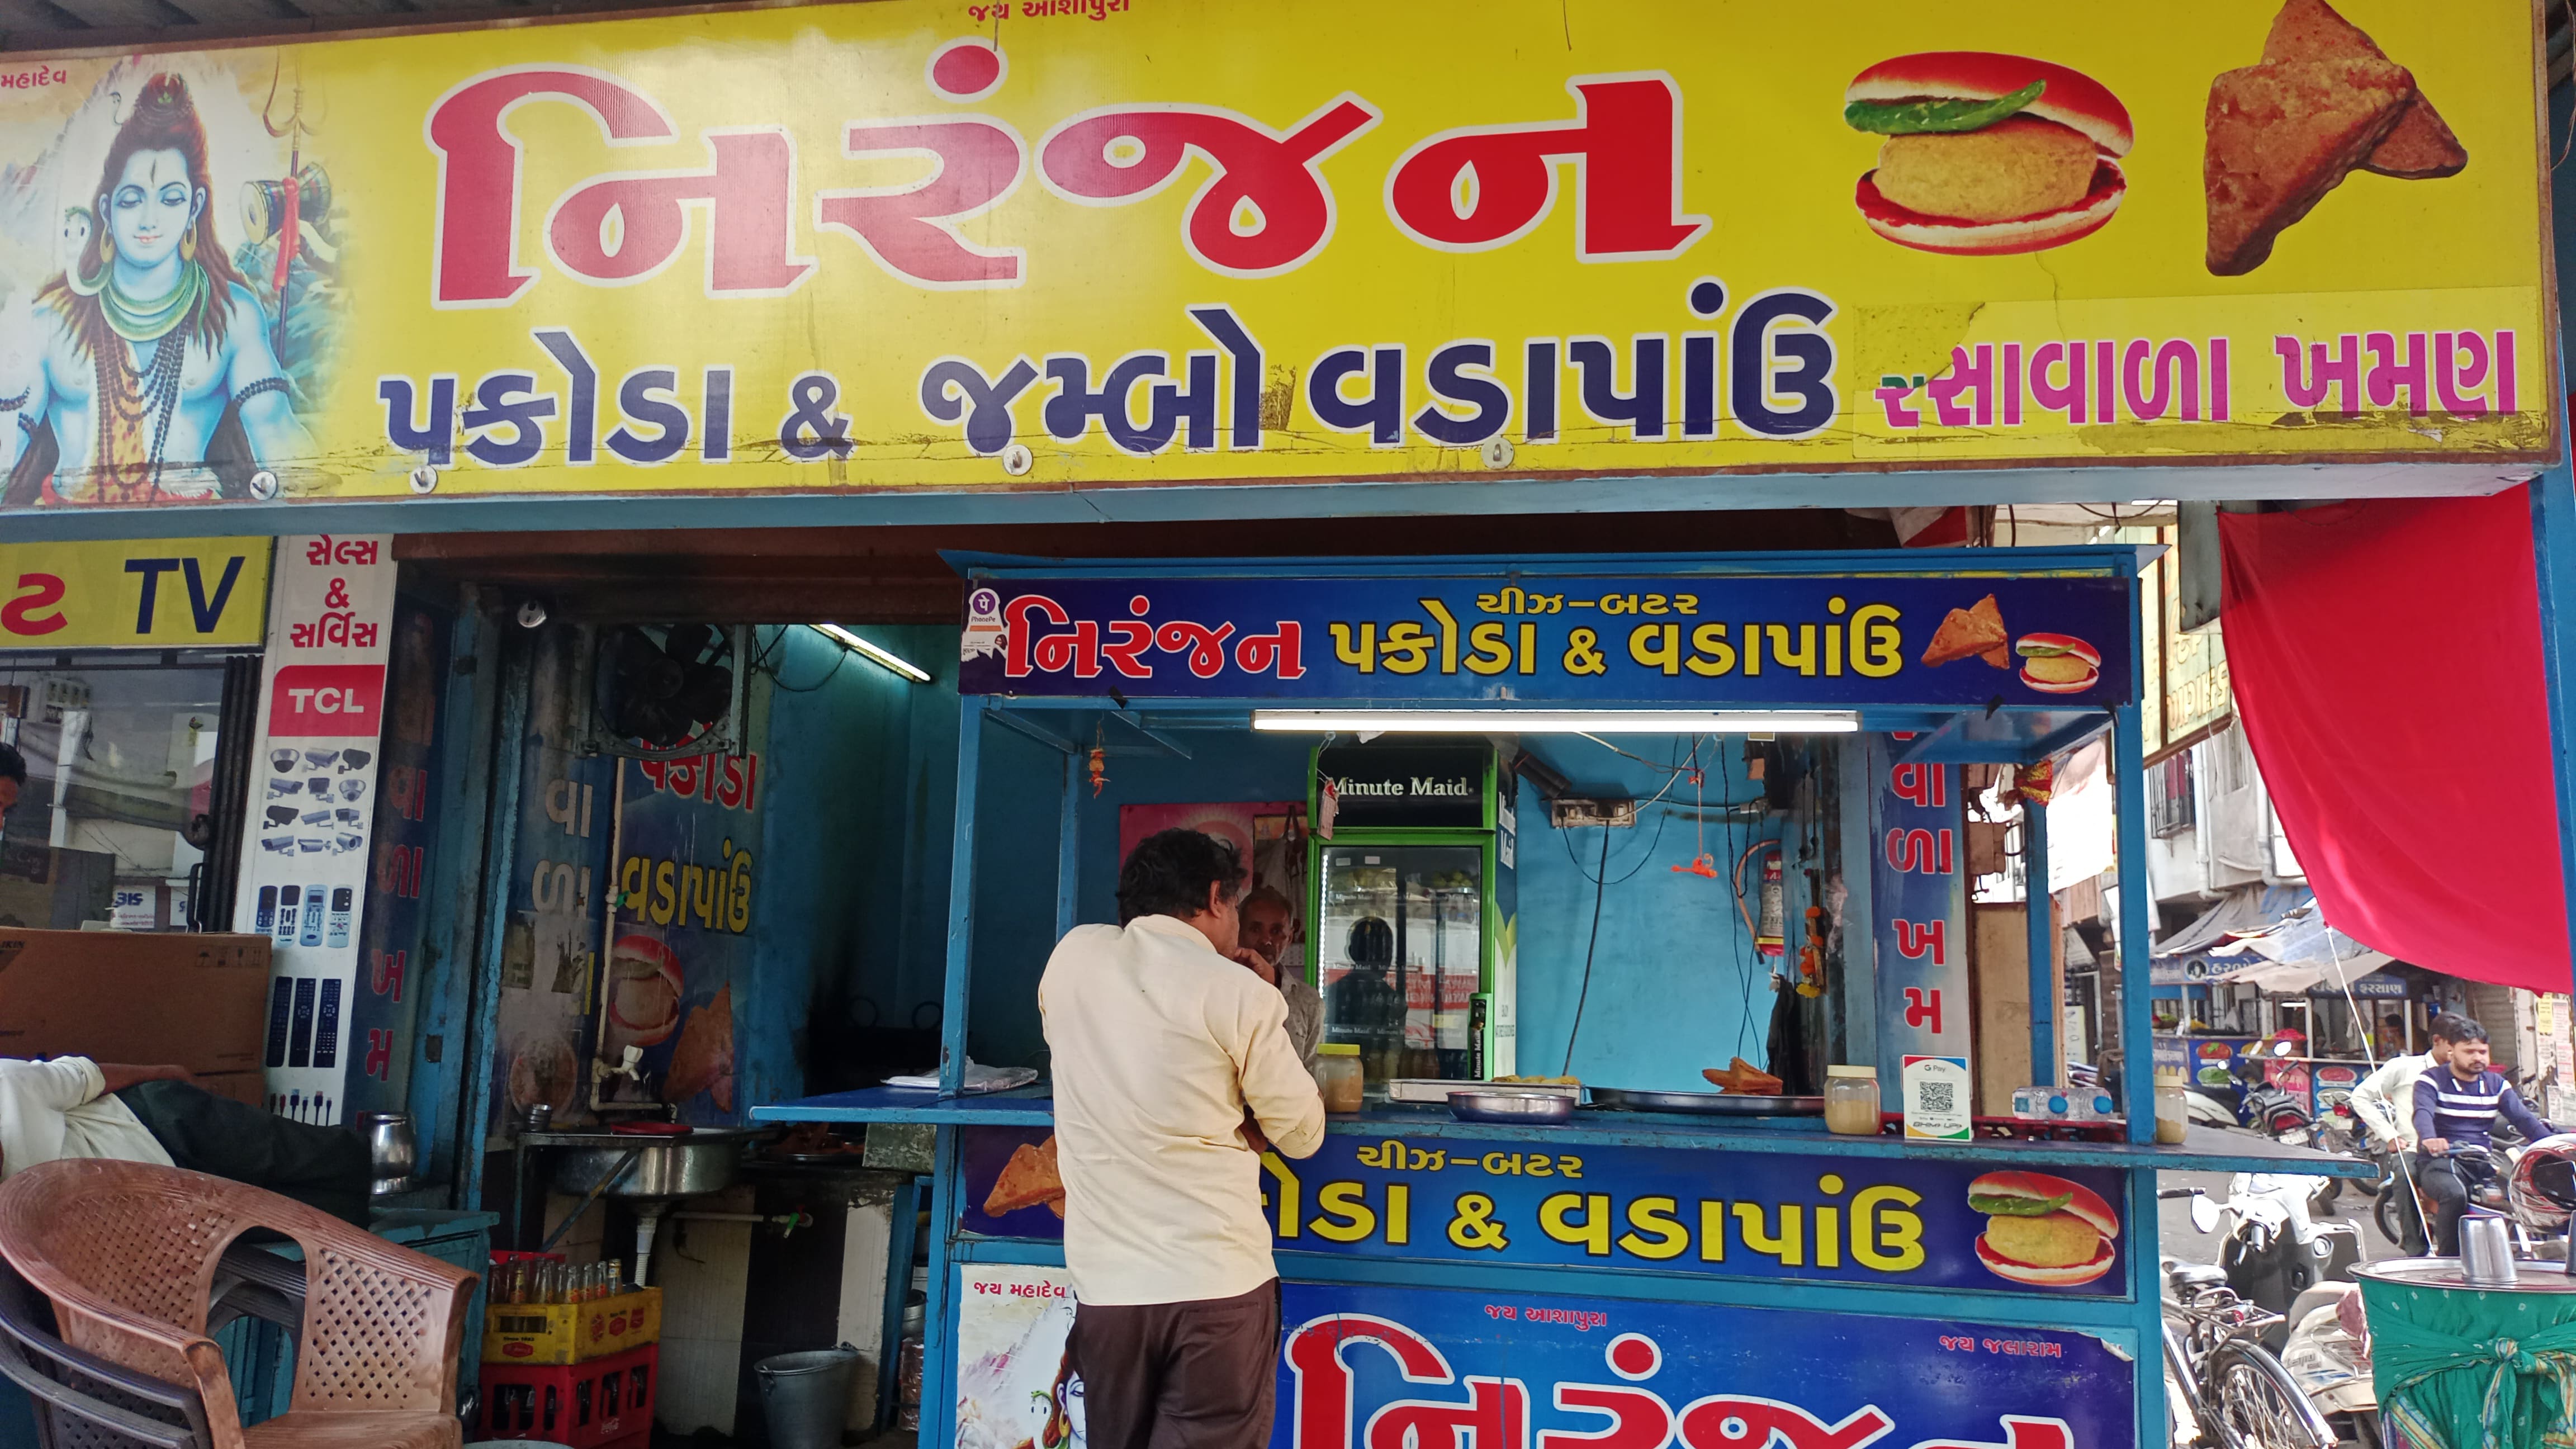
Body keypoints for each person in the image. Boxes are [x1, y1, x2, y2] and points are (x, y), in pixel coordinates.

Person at [1039, 828, 1324, 1449]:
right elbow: (1301, 1135)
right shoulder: (1239, 992)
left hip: (1109, 1290)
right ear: (1218, 897)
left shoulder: (1072, 960)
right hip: (1215, 1287)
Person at [0, 73, 311, 505]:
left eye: (170, 199)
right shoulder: (51, 321)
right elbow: (6, 443)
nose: (149, 220)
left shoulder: (231, 314)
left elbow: (276, 431)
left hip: (199, 529)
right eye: (132, 199)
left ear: (195, 206)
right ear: (106, 209)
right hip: (67, 530)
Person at [0, 1055, 372, 1223]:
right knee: (312, 1222)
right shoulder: (11, 1218)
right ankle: (396, 1229)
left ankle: (392, 1172)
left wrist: (165, 1072)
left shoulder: (7, 1085)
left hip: (161, 1124)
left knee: (305, 1154)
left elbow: (87, 1077)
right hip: (166, 1211)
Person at [2410, 1016, 2553, 1256]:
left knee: (2529, 1192)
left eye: (2482, 1052)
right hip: (2441, 1162)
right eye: (2470, 1051)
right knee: (2454, 1194)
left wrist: (2552, 1145)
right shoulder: (2431, 1080)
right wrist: (2430, 1138)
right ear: (2451, 1050)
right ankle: (2448, 1260)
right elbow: (2422, 1112)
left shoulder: (2497, 1084)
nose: (2478, 1058)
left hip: (2482, 1161)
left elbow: (2523, 1119)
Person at [2351, 1015, 2464, 1256]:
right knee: (2406, 1176)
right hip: (2413, 1147)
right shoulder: (2403, 1067)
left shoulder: (2465, 1072)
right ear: (2437, 1041)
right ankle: (2415, 1248)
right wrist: (2389, 1135)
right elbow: (2360, 1097)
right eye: (2454, 1045)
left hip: (2458, 1147)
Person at [1237, 884, 1323, 1073]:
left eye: (1276, 932)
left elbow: (1311, 1074)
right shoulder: (1220, 989)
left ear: (1290, 937)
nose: (1266, 941)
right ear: (1239, 931)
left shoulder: (1308, 1002)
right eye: (1255, 929)